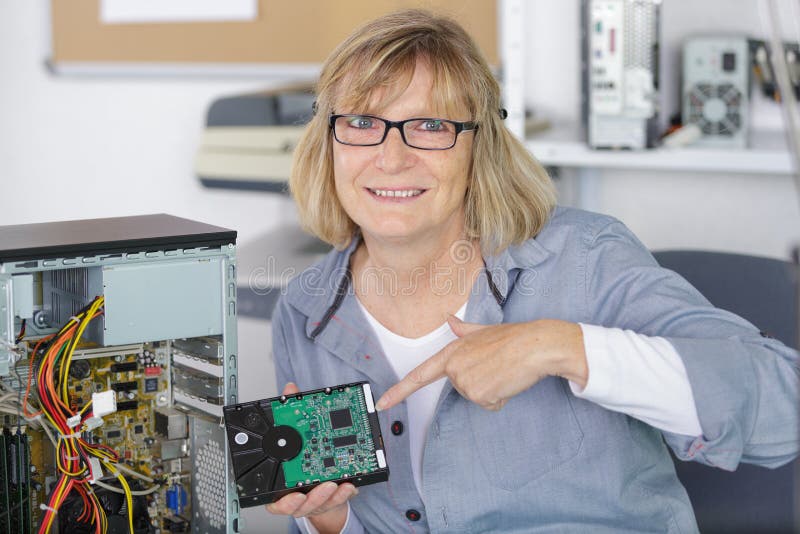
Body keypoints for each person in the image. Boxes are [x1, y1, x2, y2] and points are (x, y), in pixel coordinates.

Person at [266, 9, 799, 533]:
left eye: (430, 125)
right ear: (328, 141)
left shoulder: (586, 258)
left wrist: (557, 347)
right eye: (362, 122)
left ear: (479, 146)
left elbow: (784, 406)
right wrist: (329, 520)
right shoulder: (304, 311)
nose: (391, 157)